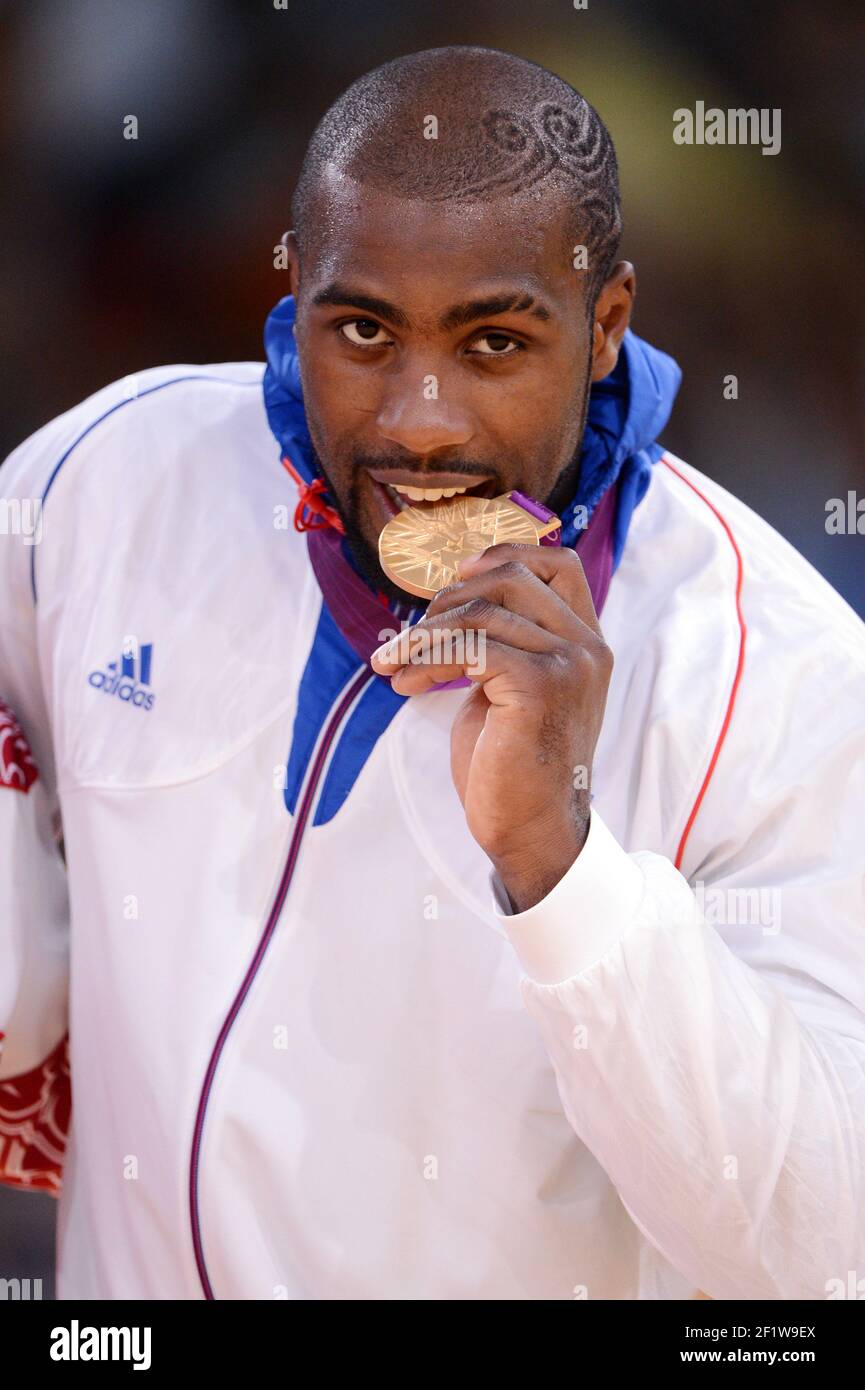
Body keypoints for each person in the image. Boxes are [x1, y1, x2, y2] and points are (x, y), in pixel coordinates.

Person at [1, 45, 863, 1301]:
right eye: (363, 330)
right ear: (295, 303)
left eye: (494, 341)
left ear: (604, 327)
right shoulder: (105, 482)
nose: (420, 418)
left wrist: (558, 863)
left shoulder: (774, 670)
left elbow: (813, 1245)